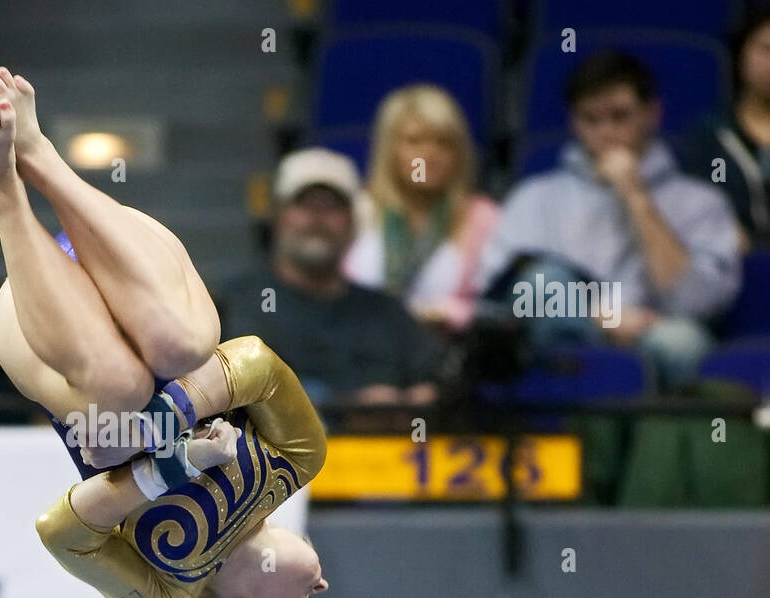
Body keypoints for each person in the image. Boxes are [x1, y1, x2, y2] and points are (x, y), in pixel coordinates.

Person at [0, 67, 329, 598]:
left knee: (118, 392)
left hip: (55, 342)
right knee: (181, 350)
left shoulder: (164, 593)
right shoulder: (300, 461)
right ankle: (38, 153)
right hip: (138, 278)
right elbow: (255, 361)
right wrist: (159, 428)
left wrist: (170, 468)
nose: (318, 589)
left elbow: (60, 530)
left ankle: (1, 192)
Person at [476, 51, 741, 389]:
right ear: (573, 122)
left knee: (683, 344)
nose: (606, 132)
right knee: (543, 282)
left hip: (654, 332)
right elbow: (502, 296)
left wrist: (635, 195)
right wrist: (602, 320)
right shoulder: (534, 197)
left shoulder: (701, 202)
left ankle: (659, 441)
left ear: (652, 114)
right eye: (591, 119)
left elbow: (698, 303)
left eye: (620, 117)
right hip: (553, 342)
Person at [218, 147, 438, 414]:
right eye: (305, 203)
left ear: (354, 221)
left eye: (332, 205)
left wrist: (410, 407)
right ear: (277, 215)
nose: (318, 218)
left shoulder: (390, 315)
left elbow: (436, 391)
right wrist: (355, 408)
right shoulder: (231, 308)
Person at [345, 84, 498, 330]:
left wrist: (452, 314)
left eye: (443, 142)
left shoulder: (482, 218)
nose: (429, 154)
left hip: (443, 355)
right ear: (390, 149)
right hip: (354, 351)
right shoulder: (355, 209)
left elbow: (498, 309)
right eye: (415, 141)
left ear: (459, 152)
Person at [680, 6, 770, 249]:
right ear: (741, 53)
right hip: (733, 266)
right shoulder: (709, 134)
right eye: (765, 49)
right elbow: (695, 207)